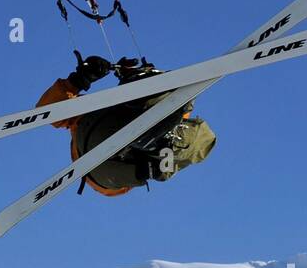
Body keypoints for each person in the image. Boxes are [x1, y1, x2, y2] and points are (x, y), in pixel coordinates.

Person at [35, 53, 216, 197]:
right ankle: (149, 143)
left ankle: (150, 144)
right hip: (99, 163)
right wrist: (79, 79)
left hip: (124, 165)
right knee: (187, 128)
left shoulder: (172, 113)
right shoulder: (95, 109)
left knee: (198, 135)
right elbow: (46, 112)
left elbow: (47, 111)